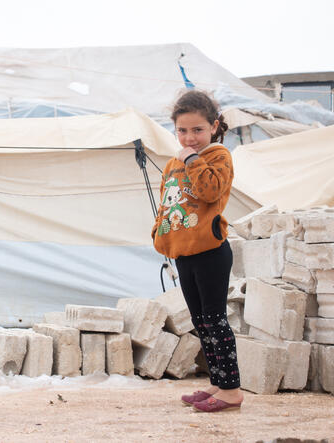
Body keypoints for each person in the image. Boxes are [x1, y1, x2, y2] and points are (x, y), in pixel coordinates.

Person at [151, 89, 244, 413]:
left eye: (198, 130)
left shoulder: (218, 156)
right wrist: (160, 235)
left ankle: (232, 390)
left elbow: (210, 191)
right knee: (201, 322)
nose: (190, 138)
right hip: (184, 252)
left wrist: (192, 158)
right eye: (182, 131)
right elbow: (168, 203)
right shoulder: (172, 164)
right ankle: (217, 383)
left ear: (214, 126)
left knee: (216, 320)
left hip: (210, 251)